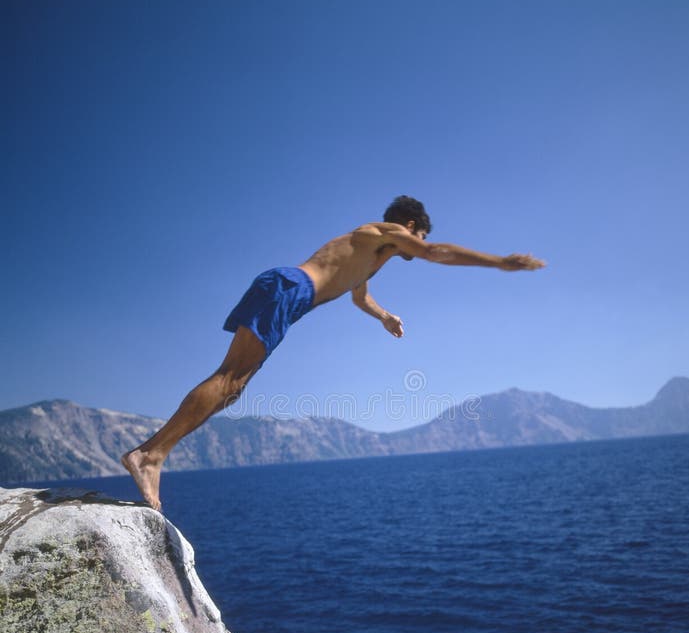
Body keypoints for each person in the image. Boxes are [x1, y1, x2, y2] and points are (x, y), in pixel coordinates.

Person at [122, 196, 545, 509]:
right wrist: (499, 262)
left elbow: (358, 296)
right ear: (410, 226)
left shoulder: (371, 254)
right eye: (419, 237)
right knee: (230, 378)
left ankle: (153, 454)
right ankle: (149, 456)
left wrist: (383, 316)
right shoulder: (383, 233)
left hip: (285, 290)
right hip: (291, 289)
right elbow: (435, 253)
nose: (418, 247)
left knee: (233, 386)